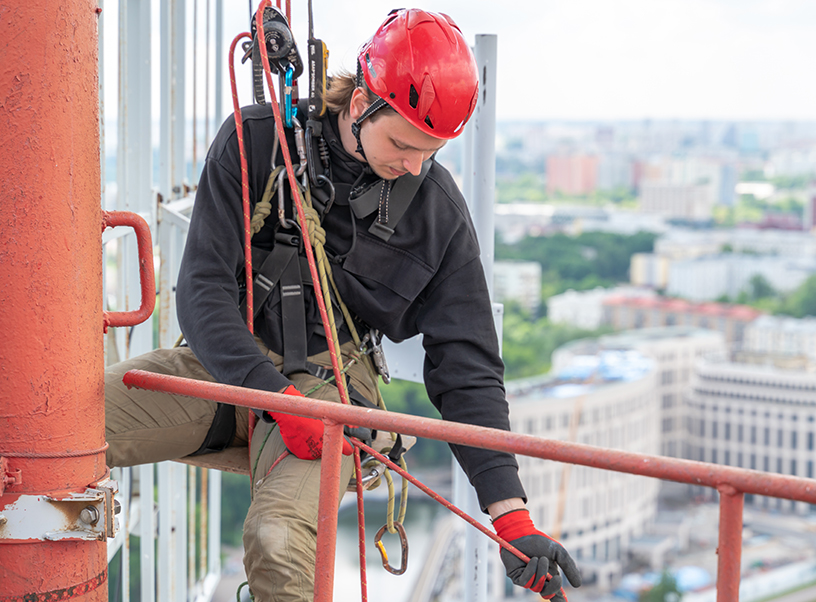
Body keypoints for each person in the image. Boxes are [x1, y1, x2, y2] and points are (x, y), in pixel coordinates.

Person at [104, 8, 582, 601]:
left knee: (279, 542)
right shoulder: (257, 143)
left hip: (329, 396)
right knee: (57, 430)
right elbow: (202, 293)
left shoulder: (435, 213)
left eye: (429, 152)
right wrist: (273, 397)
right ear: (360, 104)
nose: (413, 165)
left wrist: (510, 518)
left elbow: (469, 371)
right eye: (403, 143)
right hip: (228, 372)